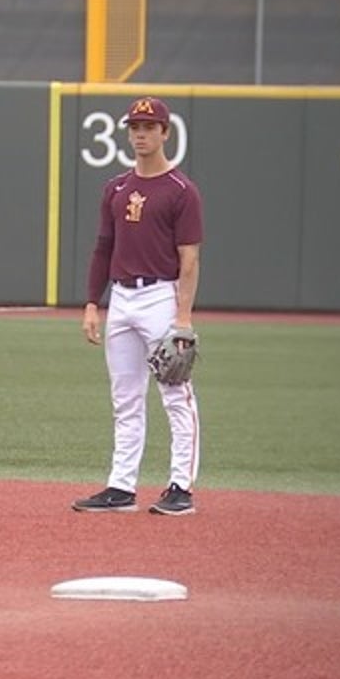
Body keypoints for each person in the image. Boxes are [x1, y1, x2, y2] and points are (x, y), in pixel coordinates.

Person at [73, 95, 203, 516]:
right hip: (122, 299)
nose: (141, 134)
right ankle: (121, 486)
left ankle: (181, 486)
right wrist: (93, 302)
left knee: (175, 393)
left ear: (166, 132)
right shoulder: (115, 188)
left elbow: (190, 259)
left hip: (161, 298)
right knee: (125, 397)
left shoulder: (182, 191)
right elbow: (102, 248)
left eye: (149, 127)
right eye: (135, 127)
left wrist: (182, 317)